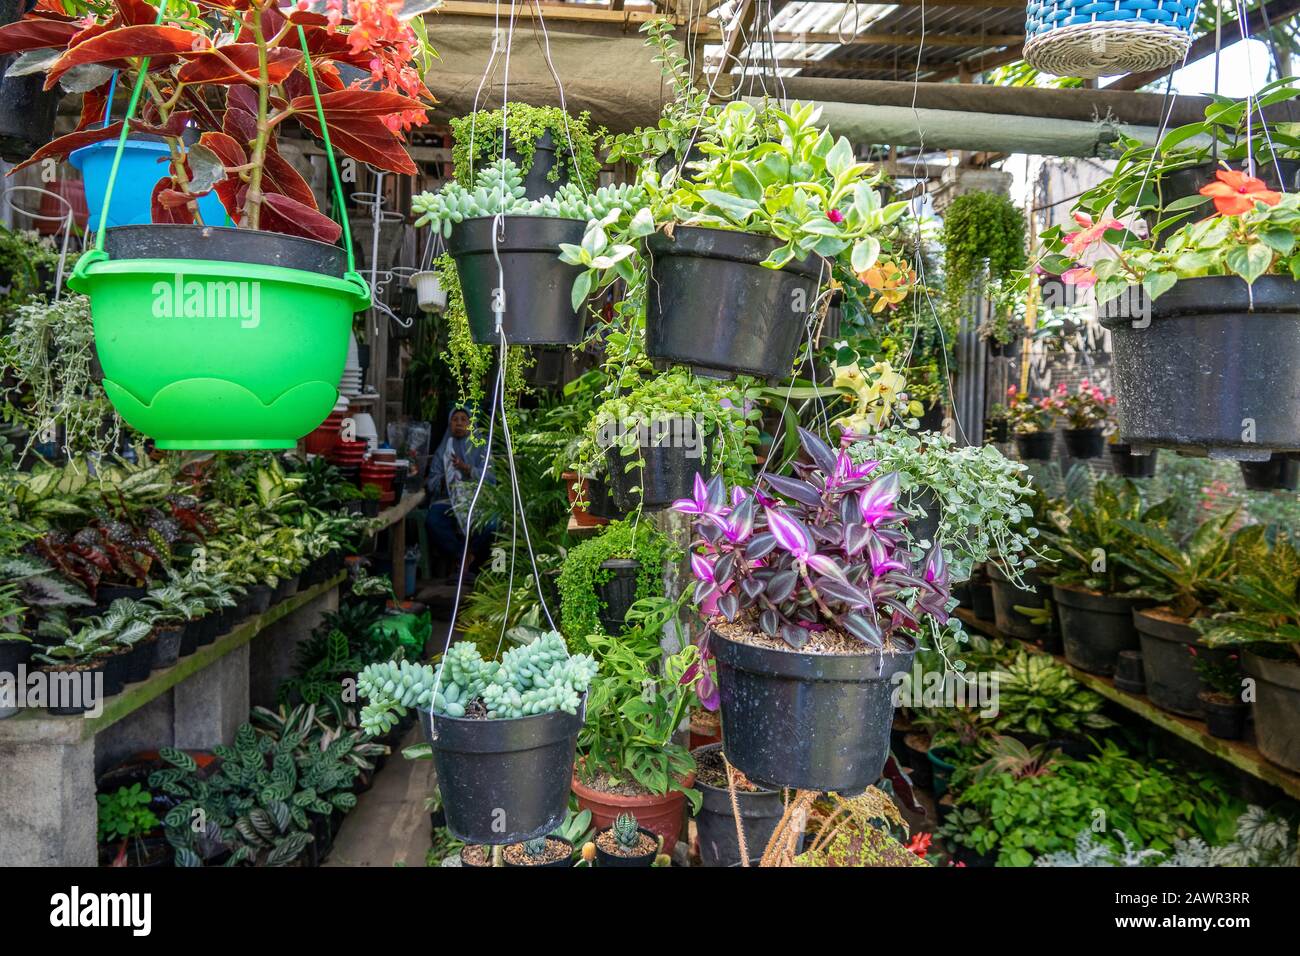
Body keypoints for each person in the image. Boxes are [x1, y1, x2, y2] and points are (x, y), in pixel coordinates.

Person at [425, 406, 494, 575]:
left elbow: (491, 477)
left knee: (491, 523)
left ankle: (470, 555)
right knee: (433, 520)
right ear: (450, 424)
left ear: (471, 424)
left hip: (477, 499)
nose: (459, 423)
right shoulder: (443, 450)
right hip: (448, 500)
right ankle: (460, 556)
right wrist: (446, 477)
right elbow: (431, 481)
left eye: (464, 419)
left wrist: (467, 468)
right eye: (455, 420)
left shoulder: (481, 446)